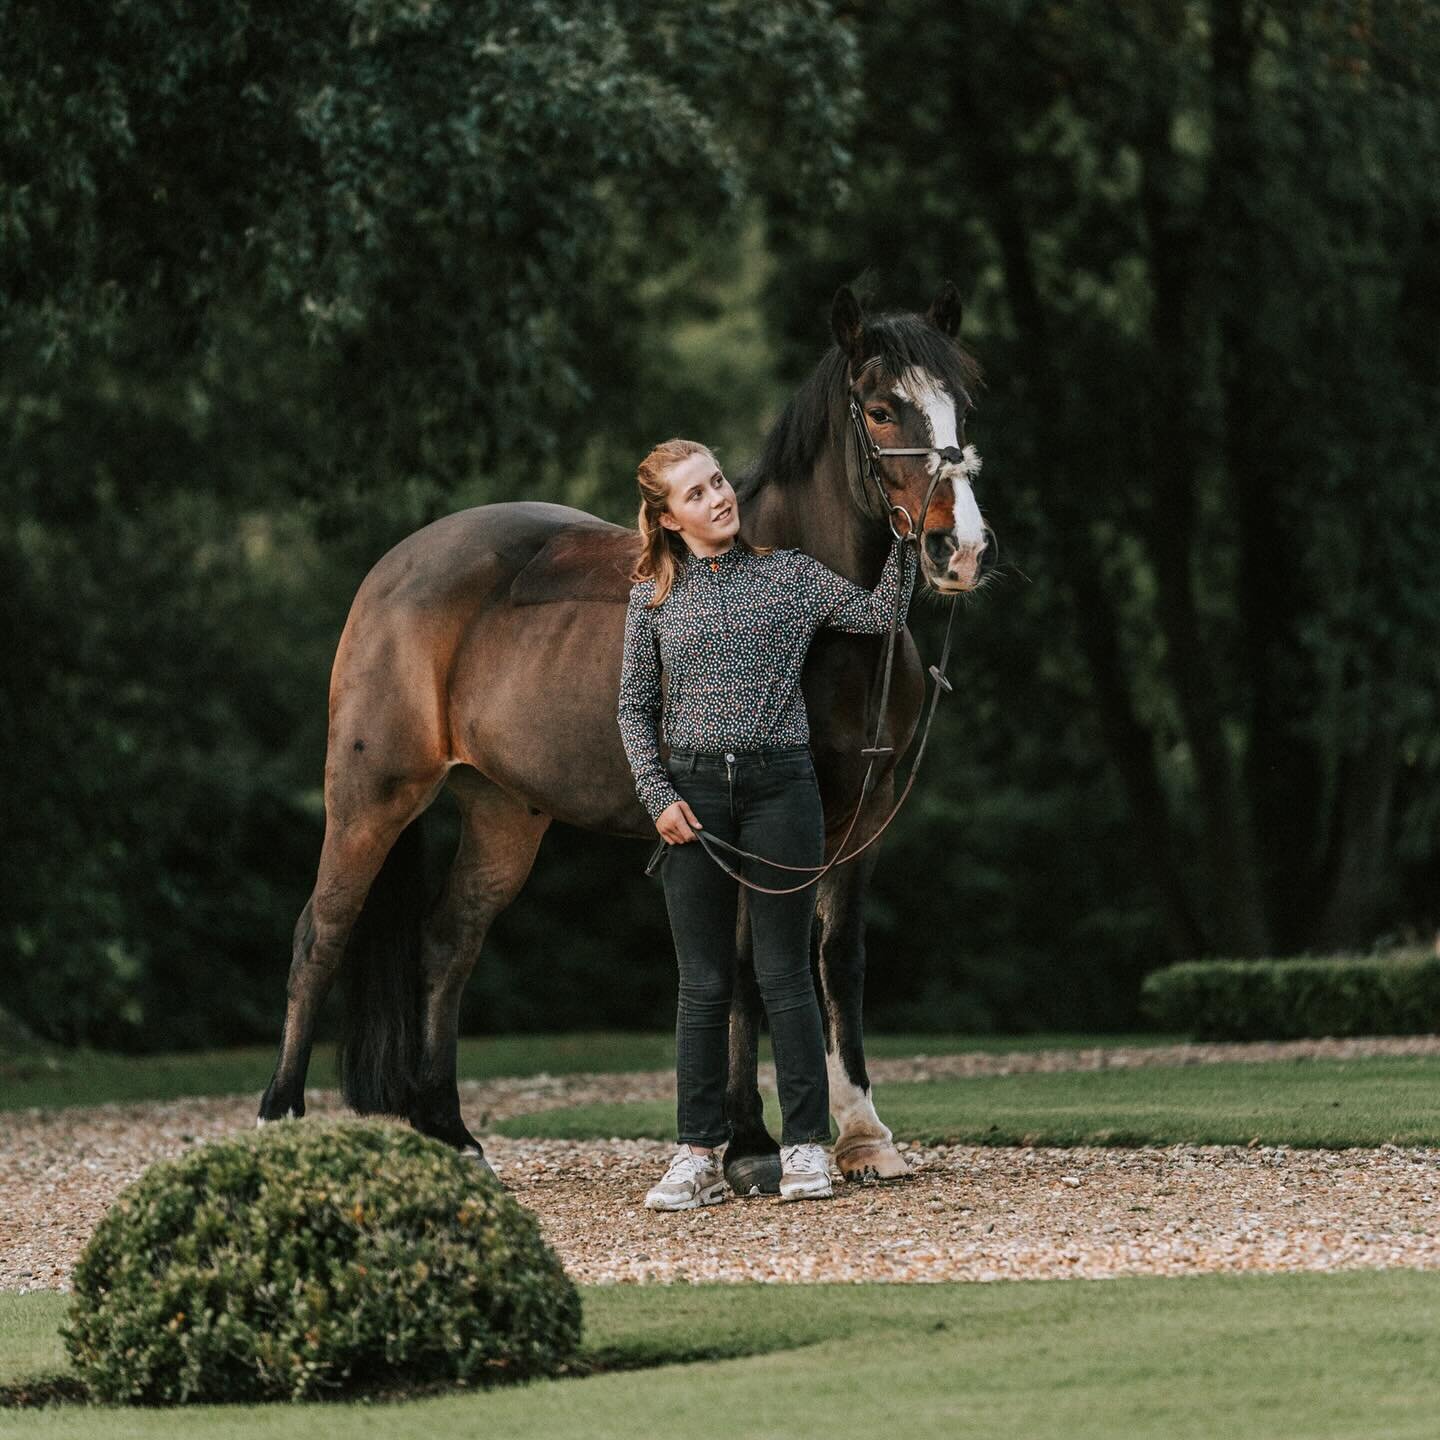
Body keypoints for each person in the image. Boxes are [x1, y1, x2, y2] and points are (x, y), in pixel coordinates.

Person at [616, 437, 915, 1210]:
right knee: (703, 984)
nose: (718, 497)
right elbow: (633, 706)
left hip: (781, 790)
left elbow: (879, 613)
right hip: (690, 799)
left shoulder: (789, 574)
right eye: (696, 493)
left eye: (718, 480)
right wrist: (656, 795)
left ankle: (807, 1149)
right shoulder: (650, 595)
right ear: (668, 516)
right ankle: (696, 1156)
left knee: (786, 974)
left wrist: (908, 539)